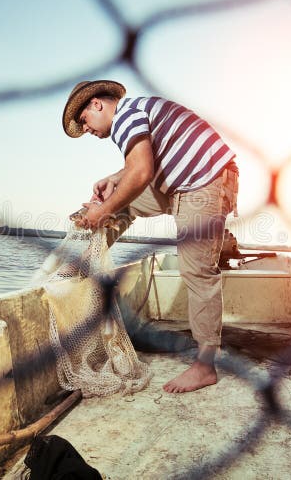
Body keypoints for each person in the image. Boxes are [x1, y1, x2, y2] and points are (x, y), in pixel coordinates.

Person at [61, 79, 238, 394]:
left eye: (84, 120)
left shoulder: (127, 116)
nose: (85, 129)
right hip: (179, 186)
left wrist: (104, 210)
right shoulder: (134, 115)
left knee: (197, 269)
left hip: (205, 182)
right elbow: (139, 166)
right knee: (118, 202)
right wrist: (113, 181)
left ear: (96, 105)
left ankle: (205, 366)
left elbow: (142, 172)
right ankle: (84, 257)